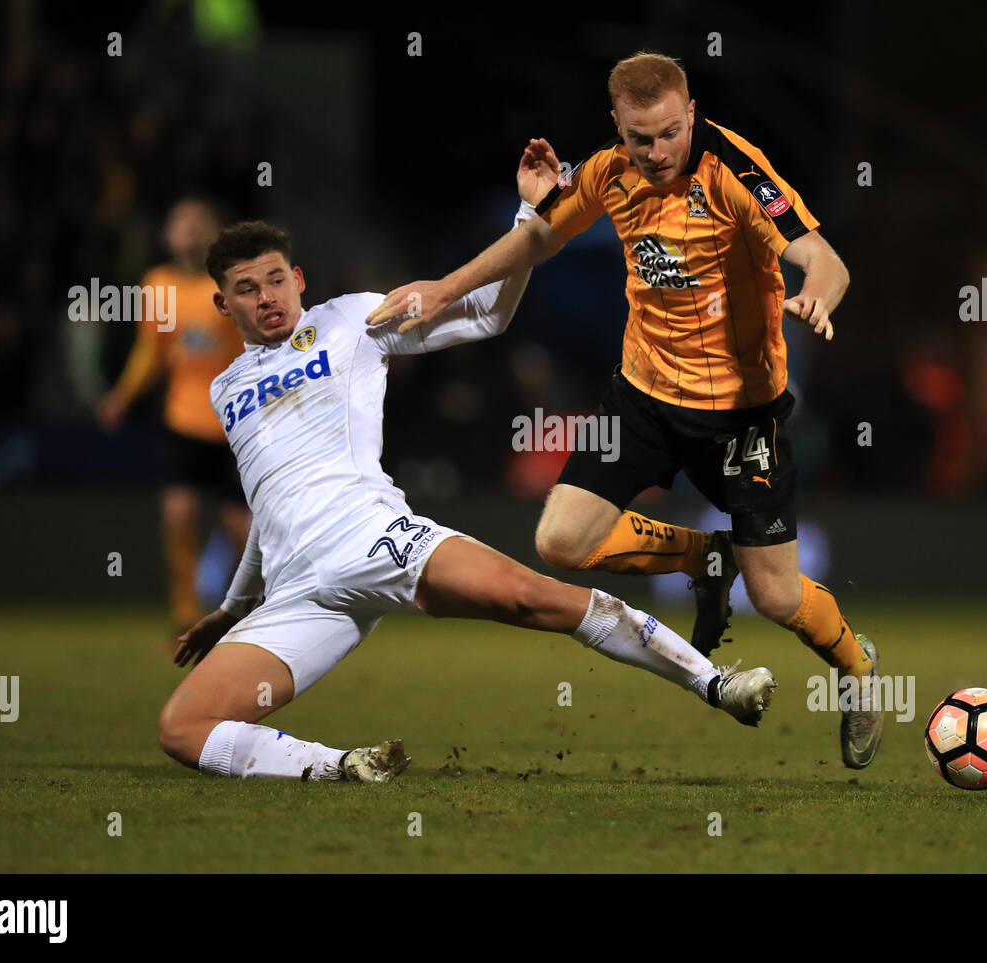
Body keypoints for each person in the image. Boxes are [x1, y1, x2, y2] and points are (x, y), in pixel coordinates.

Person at [157, 145, 777, 783]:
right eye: (246, 288)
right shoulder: (226, 389)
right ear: (221, 304)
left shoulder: (350, 321)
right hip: (299, 591)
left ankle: (714, 681)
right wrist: (234, 608)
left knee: (535, 600)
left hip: (373, 537)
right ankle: (343, 767)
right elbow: (268, 500)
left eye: (276, 279)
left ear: (300, 280)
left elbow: (488, 315)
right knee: (181, 727)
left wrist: (527, 214)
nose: (266, 297)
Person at [366, 51, 883, 769]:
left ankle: (857, 666)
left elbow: (823, 256)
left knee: (776, 597)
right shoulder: (609, 171)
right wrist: (444, 287)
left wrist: (818, 293)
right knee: (559, 543)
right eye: (641, 137)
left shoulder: (736, 169)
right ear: (618, 125)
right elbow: (540, 236)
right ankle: (705, 559)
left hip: (741, 416)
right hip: (642, 397)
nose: (657, 151)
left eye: (669, 132)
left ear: (691, 112)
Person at [97, 198, 251, 638]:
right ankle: (185, 616)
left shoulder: (228, 284)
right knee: (178, 515)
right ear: (168, 233)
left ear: (212, 234)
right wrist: (122, 396)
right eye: (179, 221)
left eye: (196, 222)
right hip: (181, 420)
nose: (187, 229)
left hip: (231, 423)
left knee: (239, 526)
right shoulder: (157, 284)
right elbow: (152, 352)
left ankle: (250, 610)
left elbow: (249, 348)